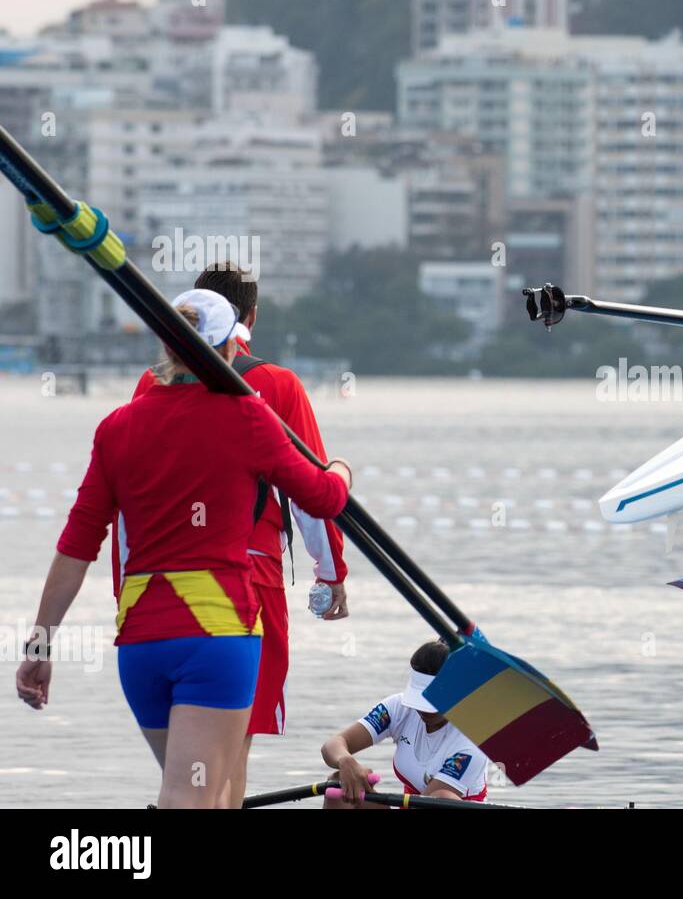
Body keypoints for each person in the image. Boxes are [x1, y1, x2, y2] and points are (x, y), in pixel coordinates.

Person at [15, 290, 353, 808]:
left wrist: (40, 644)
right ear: (230, 350)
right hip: (217, 635)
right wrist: (341, 470)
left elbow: (76, 546)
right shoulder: (248, 416)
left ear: (165, 348)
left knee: (206, 793)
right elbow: (323, 498)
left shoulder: (116, 427)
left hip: (141, 642)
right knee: (191, 796)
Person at [113, 261, 351, 807]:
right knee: (231, 747)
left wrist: (125, 594)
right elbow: (313, 499)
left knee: (187, 765)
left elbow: (128, 502)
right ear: (252, 315)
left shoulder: (151, 383)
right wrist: (330, 574)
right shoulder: (277, 384)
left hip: (155, 587)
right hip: (248, 579)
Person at [321, 641, 490, 808]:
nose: (425, 711)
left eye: (434, 703)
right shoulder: (399, 707)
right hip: (412, 805)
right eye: (419, 699)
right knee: (338, 783)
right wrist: (346, 761)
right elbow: (333, 744)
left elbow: (428, 803)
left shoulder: (472, 741)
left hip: (432, 804)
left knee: (441, 797)